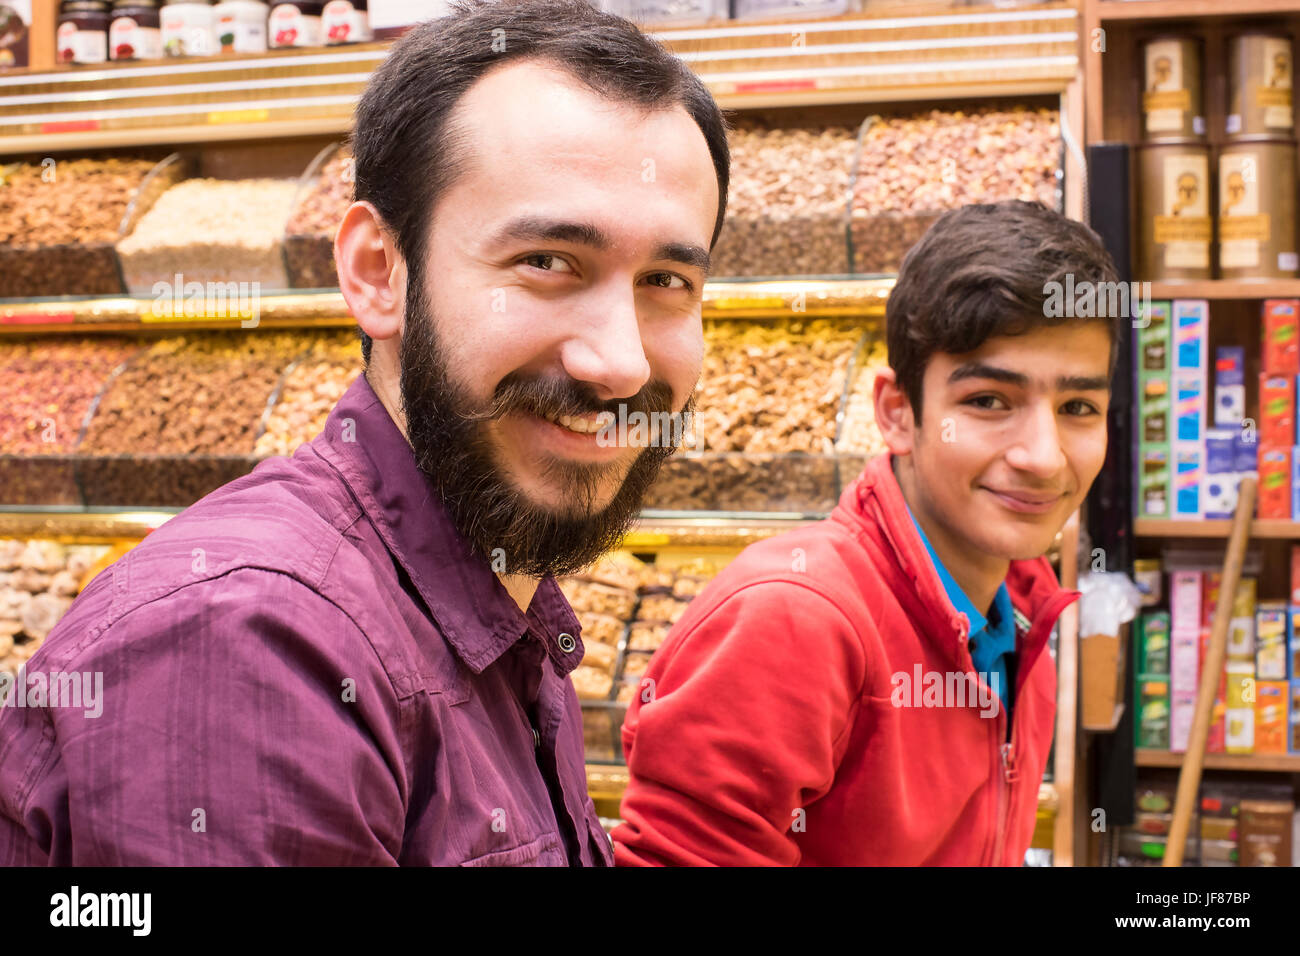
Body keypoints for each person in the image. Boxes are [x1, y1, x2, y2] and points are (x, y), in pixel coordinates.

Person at [0, 0, 727, 865]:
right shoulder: (246, 642)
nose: (621, 363)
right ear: (377, 274)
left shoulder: (507, 603)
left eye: (667, 279)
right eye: (546, 262)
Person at [613, 200, 1119, 866]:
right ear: (898, 413)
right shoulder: (796, 620)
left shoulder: (1026, 618)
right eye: (989, 401)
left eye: (1078, 407)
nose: (1043, 456)